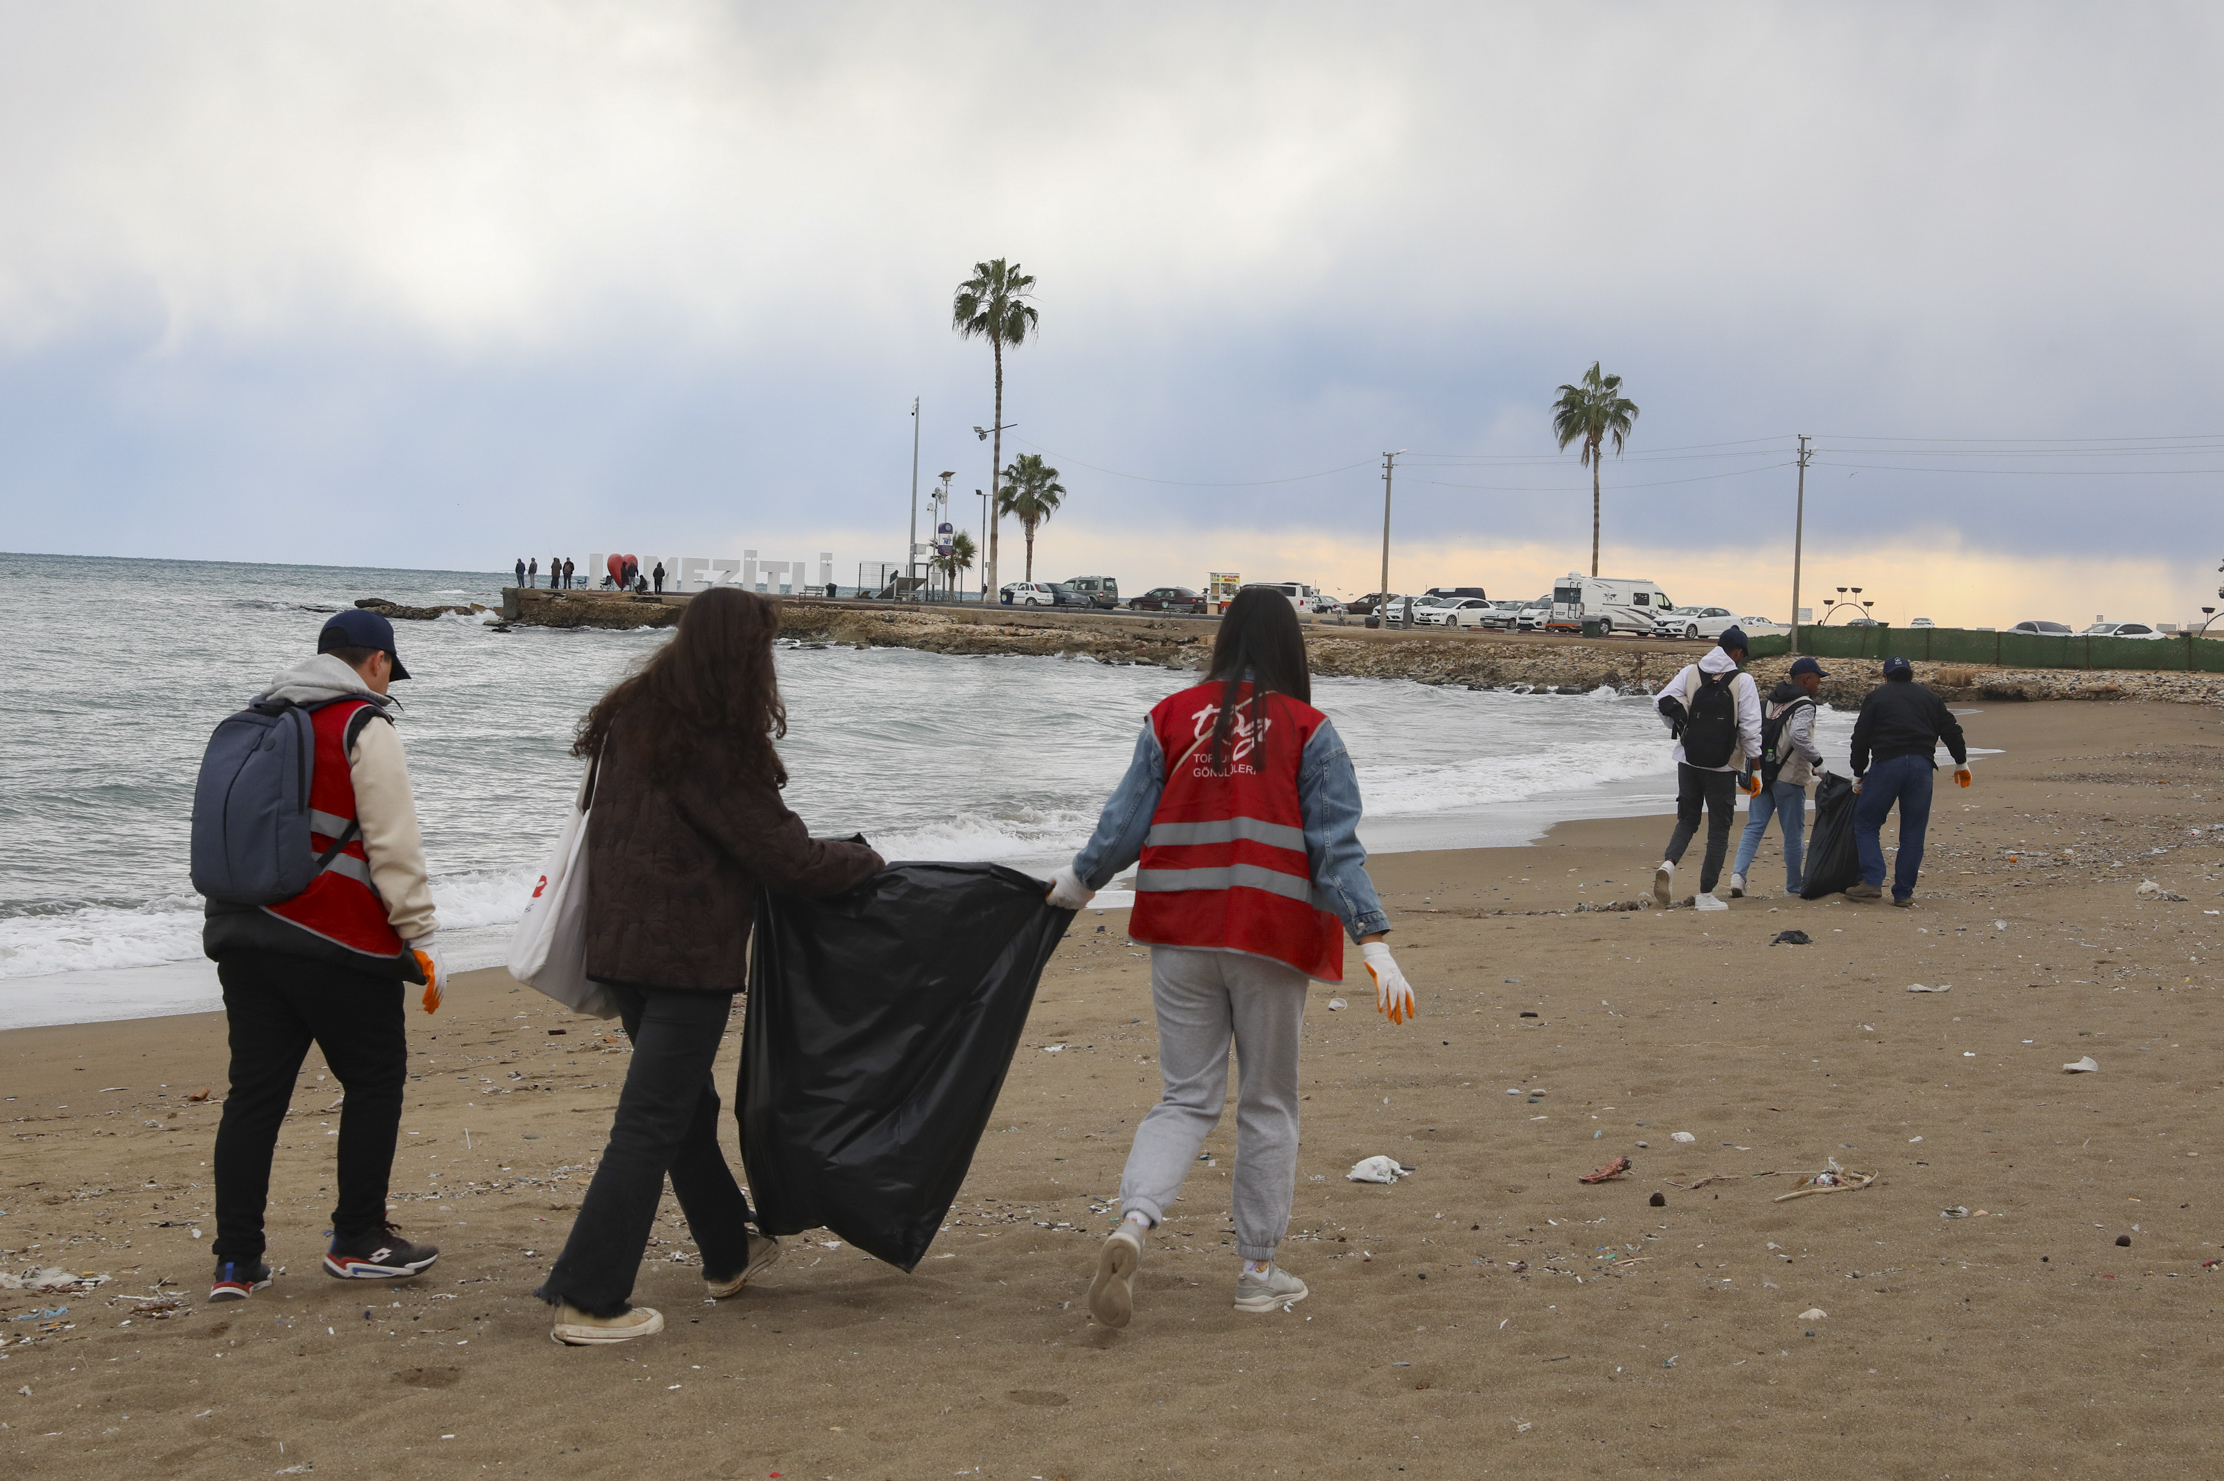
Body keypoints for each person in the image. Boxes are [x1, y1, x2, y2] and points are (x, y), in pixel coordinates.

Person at [1047, 588, 1415, 1327]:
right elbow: (1334, 851)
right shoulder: (1312, 730)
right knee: (1268, 1102)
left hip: (1179, 933)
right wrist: (1374, 942)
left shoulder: (1172, 717)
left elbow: (1123, 824)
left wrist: (1075, 885)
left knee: (1186, 1097)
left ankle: (1134, 1223)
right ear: (1291, 649)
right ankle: (1256, 1271)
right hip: (1270, 940)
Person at [536, 587, 883, 1345]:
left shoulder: (632, 716)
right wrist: (864, 857)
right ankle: (590, 1297)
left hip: (620, 948)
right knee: (652, 1120)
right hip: (683, 958)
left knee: (685, 1110)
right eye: (763, 648)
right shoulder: (711, 740)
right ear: (740, 655)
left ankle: (729, 1252)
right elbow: (784, 855)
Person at [201, 608, 446, 1303]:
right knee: (374, 1077)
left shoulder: (262, 721)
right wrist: (422, 938)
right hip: (334, 942)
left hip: (243, 935)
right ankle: (357, 1237)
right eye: (388, 671)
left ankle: (236, 1262)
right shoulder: (364, 725)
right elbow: (393, 843)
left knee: (253, 1097)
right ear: (376, 663)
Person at [1651, 625, 1763, 911]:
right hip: (1723, 767)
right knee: (1719, 830)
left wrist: (1681, 726)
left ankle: (1669, 864)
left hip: (1688, 760)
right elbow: (1750, 729)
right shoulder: (1743, 680)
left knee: (1687, 820)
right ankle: (1705, 894)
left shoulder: (1690, 672)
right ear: (1736, 652)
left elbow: (1660, 703)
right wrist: (1756, 768)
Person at [1847, 654, 1969, 906]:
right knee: (1913, 831)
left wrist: (1858, 773)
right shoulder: (1930, 698)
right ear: (1911, 676)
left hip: (1886, 766)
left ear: (1885, 676)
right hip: (1921, 767)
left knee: (1867, 822)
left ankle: (1871, 881)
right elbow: (1952, 730)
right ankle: (1903, 893)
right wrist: (1961, 762)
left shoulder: (1876, 697)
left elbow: (1860, 737)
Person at [1729, 656, 1828, 898]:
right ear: (1806, 679)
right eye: (1817, 679)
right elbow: (1799, 737)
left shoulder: (1767, 702)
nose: (1819, 685)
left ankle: (1738, 876)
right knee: (1793, 834)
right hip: (1790, 777)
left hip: (1762, 773)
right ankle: (1793, 887)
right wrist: (1818, 763)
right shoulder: (1805, 705)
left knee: (1754, 827)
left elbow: (1747, 731)